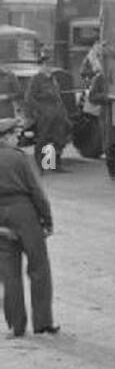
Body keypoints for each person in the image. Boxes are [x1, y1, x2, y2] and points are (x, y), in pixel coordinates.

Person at [0, 116, 57, 337]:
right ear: (6, 137)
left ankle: (16, 325)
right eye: (15, 134)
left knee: (9, 274)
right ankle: (42, 323)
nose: (18, 138)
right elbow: (36, 191)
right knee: (39, 268)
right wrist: (47, 219)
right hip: (24, 212)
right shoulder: (19, 158)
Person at [25, 52, 70, 172]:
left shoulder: (53, 79)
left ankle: (52, 164)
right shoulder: (36, 79)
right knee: (43, 139)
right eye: (46, 64)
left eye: (50, 64)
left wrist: (63, 113)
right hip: (45, 114)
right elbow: (29, 98)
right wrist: (41, 110)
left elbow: (58, 96)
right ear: (41, 65)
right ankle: (39, 166)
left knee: (57, 139)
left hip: (57, 112)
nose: (49, 66)